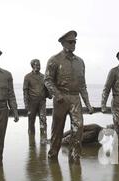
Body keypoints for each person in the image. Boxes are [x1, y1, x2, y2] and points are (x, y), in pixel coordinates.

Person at [44, 30, 94, 163]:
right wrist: (57, 94)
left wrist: (88, 104)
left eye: (74, 42)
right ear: (63, 43)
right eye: (70, 42)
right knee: (57, 131)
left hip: (75, 98)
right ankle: (52, 157)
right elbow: (47, 80)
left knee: (79, 128)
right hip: (61, 99)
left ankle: (75, 158)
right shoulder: (54, 60)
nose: (73, 44)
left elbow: (82, 85)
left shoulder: (80, 62)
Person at [23, 59, 51, 140]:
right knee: (31, 122)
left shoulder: (43, 76)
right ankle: (31, 141)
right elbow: (25, 91)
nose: (38, 66)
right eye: (36, 65)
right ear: (32, 66)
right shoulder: (27, 77)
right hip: (32, 103)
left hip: (42, 102)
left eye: (39, 64)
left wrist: (50, 94)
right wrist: (26, 104)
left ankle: (43, 138)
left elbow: (47, 89)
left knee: (43, 120)